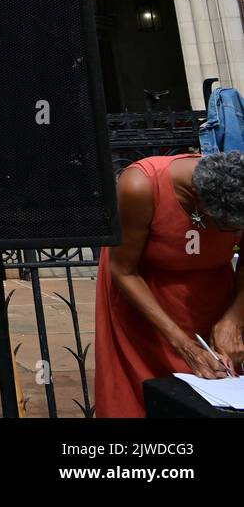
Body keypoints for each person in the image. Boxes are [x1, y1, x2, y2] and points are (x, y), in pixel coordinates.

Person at [95, 151, 244, 416]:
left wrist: (233, 319)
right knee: (141, 399)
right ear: (199, 202)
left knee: (215, 394)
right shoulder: (140, 186)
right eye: (228, 230)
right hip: (145, 306)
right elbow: (124, 270)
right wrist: (184, 345)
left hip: (213, 298)